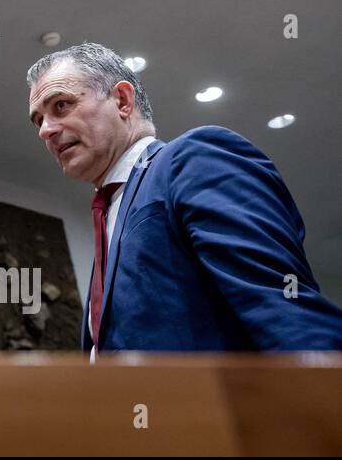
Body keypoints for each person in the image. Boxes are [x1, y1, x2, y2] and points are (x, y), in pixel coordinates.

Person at [26, 42, 342, 354]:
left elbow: (285, 312)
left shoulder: (192, 160)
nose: (46, 130)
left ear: (122, 100)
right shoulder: (108, 218)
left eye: (61, 105)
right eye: (39, 120)